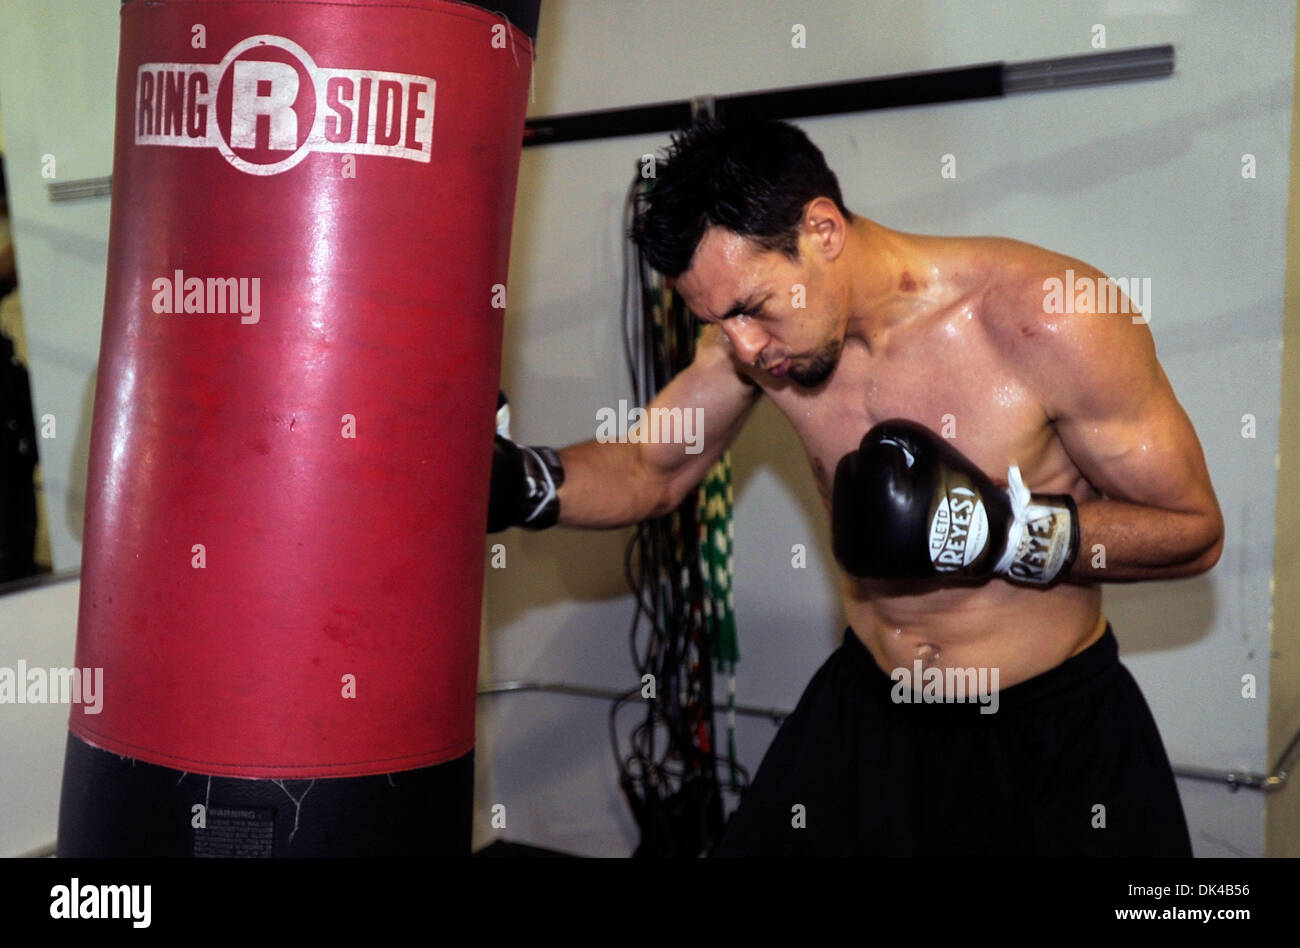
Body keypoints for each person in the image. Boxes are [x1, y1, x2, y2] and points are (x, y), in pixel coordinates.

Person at [490, 116, 1223, 856]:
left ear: (822, 229)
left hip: (1045, 737)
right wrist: (521, 484)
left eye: (750, 307)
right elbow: (651, 468)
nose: (742, 347)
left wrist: (1000, 534)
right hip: (868, 713)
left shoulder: (1047, 318)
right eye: (715, 321)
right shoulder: (757, 347)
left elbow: (1192, 530)